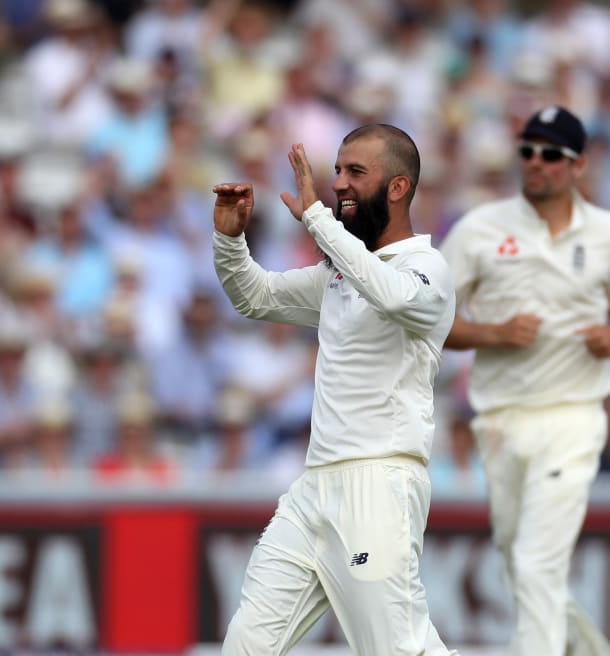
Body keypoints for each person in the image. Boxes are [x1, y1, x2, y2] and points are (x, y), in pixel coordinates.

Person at [213, 124, 458, 655]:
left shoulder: (427, 269)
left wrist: (318, 221)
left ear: (398, 187)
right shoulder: (338, 275)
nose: (340, 183)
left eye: (356, 172)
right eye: (338, 170)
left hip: (379, 484)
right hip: (313, 488)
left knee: (399, 649)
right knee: (245, 647)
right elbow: (256, 296)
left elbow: (392, 296)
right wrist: (230, 241)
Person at [440, 105, 610, 656]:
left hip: (572, 416)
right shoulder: (480, 230)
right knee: (521, 561)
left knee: (537, 562)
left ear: (578, 164)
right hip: (500, 419)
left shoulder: (605, 234)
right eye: (528, 151)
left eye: (551, 154)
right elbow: (426, 316)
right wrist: (492, 332)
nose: (536, 162)